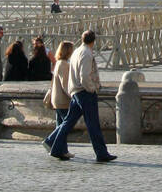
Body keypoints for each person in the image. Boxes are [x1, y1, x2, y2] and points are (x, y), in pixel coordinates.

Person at [48, 30, 117, 162]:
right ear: (94, 40)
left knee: (68, 121)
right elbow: (85, 76)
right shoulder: (87, 53)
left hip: (75, 91)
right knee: (93, 123)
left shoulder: (77, 52)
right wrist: (91, 89)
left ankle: (55, 147)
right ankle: (101, 153)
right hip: (84, 92)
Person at [43, 41, 75, 152]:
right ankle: (50, 141)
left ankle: (60, 150)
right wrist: (73, 95)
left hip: (57, 99)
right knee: (65, 125)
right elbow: (65, 84)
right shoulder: (63, 64)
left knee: (60, 125)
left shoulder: (59, 63)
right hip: (62, 100)